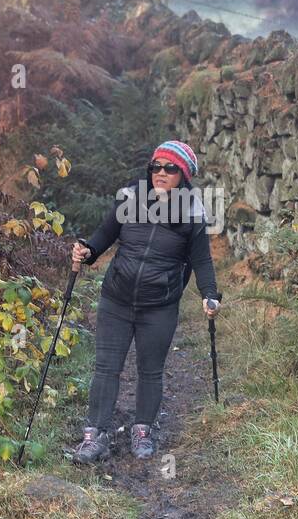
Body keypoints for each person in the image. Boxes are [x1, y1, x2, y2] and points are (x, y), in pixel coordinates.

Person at [69, 140, 221, 463]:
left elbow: (202, 261)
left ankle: (143, 429)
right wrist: (88, 250)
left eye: (169, 168)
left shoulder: (193, 212)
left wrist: (209, 294)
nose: (160, 173)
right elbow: (105, 233)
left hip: (159, 306)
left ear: (183, 174)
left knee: (150, 370)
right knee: (106, 368)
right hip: (116, 299)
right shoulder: (132, 196)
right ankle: (94, 436)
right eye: (156, 167)